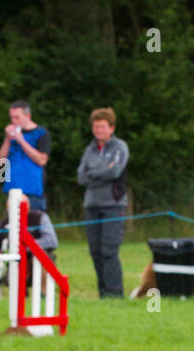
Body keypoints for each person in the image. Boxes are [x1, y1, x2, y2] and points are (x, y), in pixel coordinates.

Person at [77, 107, 129, 298]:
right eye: (96, 126)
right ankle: (102, 292)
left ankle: (115, 293)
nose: (99, 130)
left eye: (102, 126)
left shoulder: (120, 147)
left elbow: (114, 172)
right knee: (95, 251)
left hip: (113, 205)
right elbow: (81, 177)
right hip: (91, 205)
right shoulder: (89, 150)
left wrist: (95, 173)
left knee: (109, 250)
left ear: (111, 128)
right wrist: (101, 172)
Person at [0, 100, 51, 211]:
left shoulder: (41, 133)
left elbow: (42, 160)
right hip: (11, 189)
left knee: (32, 226)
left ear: (28, 116)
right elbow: (1, 161)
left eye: (17, 117)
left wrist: (22, 141)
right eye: (11, 117)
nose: (13, 121)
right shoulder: (11, 135)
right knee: (12, 226)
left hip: (32, 191)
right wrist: (7, 139)